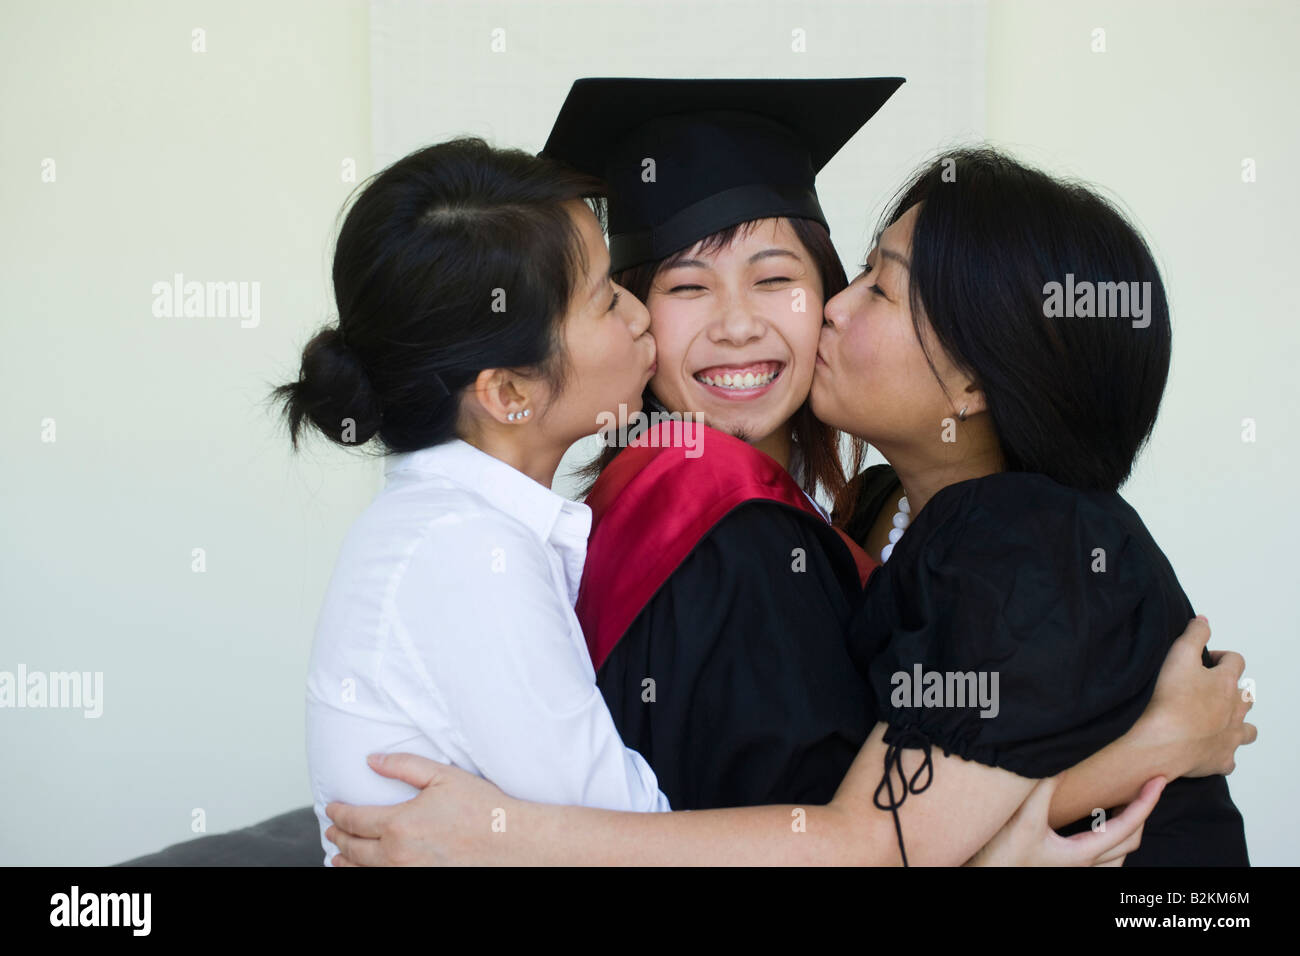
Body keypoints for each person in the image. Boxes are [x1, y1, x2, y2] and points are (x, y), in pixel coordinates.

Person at [323, 147, 1255, 866]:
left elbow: (865, 843)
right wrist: (1151, 748)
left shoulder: (1024, 541)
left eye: (875, 287)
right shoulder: (883, 514)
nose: (833, 310)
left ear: (973, 379)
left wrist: (502, 839)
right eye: (668, 289)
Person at [272, 137, 665, 866]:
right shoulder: (466, 554)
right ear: (508, 393)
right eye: (607, 299)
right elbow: (630, 825)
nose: (642, 315)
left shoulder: (452, 526)